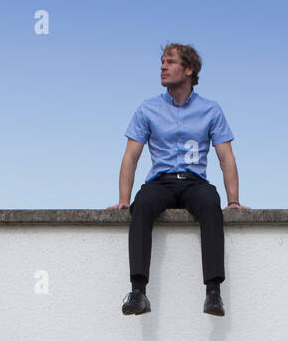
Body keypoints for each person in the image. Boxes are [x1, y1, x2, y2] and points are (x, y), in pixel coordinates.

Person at [107, 43, 250, 317]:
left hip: (195, 183)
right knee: (142, 203)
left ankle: (213, 293)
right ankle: (138, 291)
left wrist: (234, 201)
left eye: (170, 61)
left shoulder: (211, 110)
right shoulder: (147, 109)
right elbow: (130, 156)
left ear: (189, 69)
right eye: (162, 61)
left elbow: (226, 157)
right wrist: (124, 199)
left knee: (211, 201)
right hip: (160, 182)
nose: (163, 66)